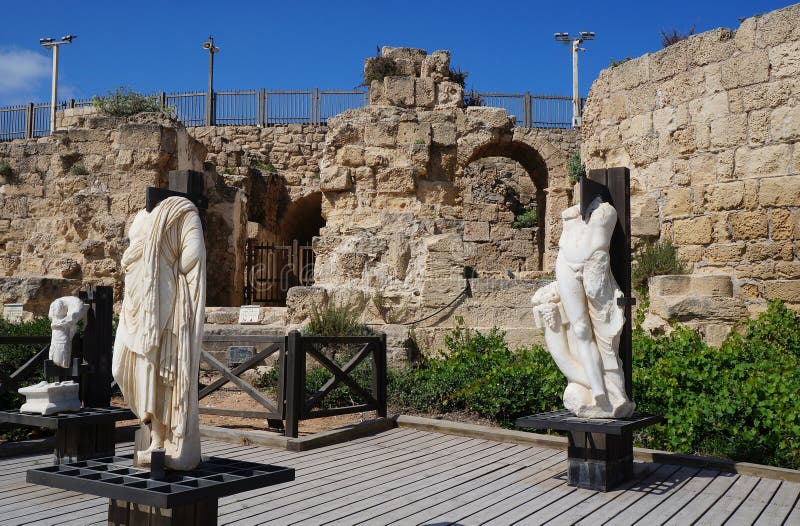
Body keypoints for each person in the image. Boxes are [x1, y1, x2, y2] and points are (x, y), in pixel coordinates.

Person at [112, 196, 206, 470]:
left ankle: (159, 442)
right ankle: (156, 438)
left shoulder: (183, 212)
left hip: (164, 304)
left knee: (158, 374)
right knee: (124, 367)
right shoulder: (140, 217)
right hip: (135, 304)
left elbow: (193, 259)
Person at [532, 195, 633, 418]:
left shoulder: (607, 210)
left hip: (593, 258)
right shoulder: (574, 213)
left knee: (603, 329)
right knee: (580, 330)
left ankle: (612, 394)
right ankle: (598, 391)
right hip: (566, 258)